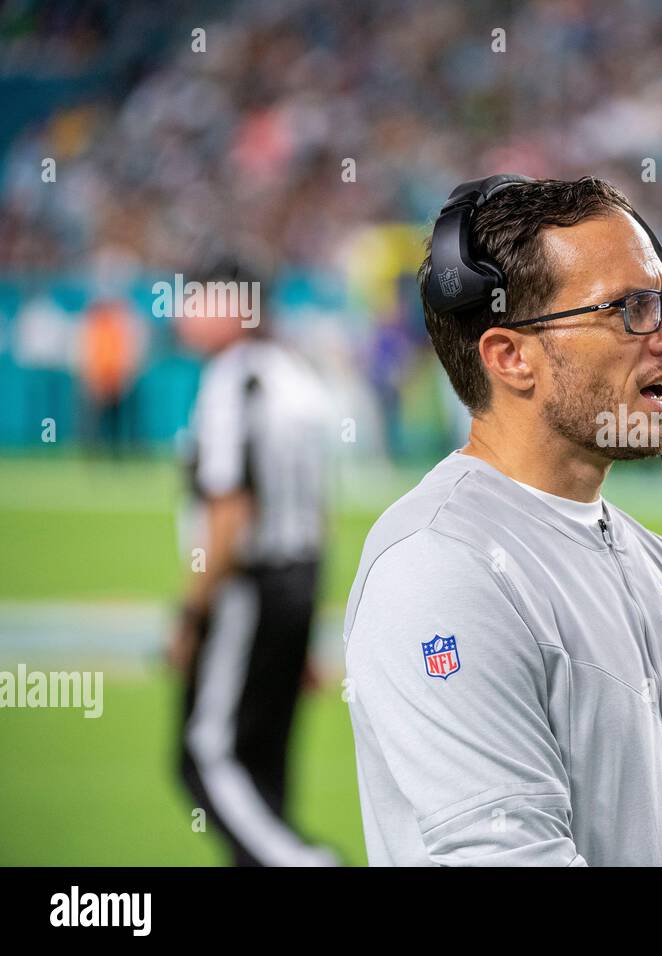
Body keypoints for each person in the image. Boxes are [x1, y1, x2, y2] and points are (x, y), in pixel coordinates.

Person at [343, 176, 662, 866]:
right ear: (511, 356)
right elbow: (507, 855)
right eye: (632, 309)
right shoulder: (439, 569)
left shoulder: (660, 563)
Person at [169, 255, 337, 866]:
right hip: (297, 581)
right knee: (265, 762)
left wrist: (190, 614)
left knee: (207, 755)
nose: (185, 311)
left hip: (249, 589)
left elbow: (230, 511)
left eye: (198, 297)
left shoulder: (231, 380)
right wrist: (306, 623)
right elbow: (317, 512)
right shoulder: (297, 375)